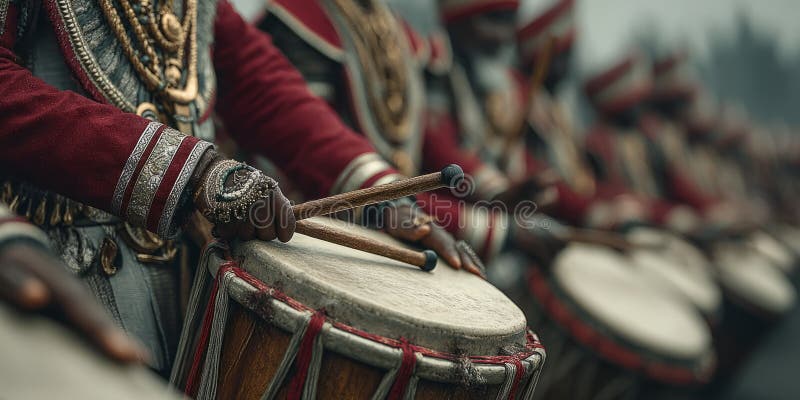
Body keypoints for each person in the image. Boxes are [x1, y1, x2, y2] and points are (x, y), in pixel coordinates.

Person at [0, 0, 472, 374]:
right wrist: (195, 172)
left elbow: (252, 75)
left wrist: (379, 193)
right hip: (59, 263)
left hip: (192, 273)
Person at [259, 0, 560, 264]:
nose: (502, 37)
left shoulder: (398, 32)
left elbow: (430, 144)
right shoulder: (299, 17)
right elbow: (316, 153)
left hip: (387, 207)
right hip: (306, 224)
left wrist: (495, 192)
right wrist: (495, 230)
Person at [514, 0, 651, 229]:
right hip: (539, 223)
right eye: (563, 56)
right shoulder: (521, 103)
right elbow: (531, 175)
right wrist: (592, 210)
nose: (568, 65)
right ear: (540, 57)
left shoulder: (555, 110)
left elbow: (583, 183)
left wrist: (622, 204)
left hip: (571, 220)